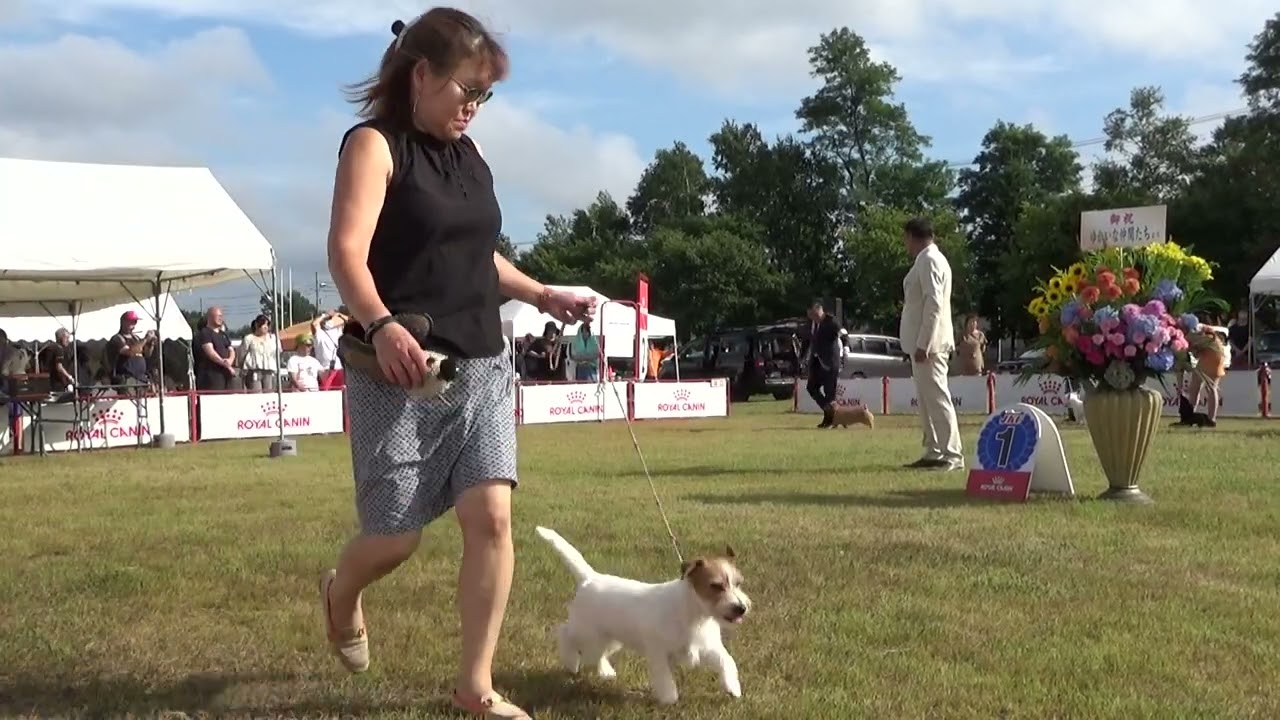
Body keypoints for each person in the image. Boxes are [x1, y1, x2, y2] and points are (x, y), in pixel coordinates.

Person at [320, 10, 596, 718]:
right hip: (400, 367)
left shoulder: (470, 158)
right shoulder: (373, 146)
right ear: (421, 76)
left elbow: (477, 256)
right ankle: (341, 591)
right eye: (465, 90)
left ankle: (475, 687)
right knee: (394, 537)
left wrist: (542, 294)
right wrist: (378, 325)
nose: (474, 107)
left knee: (492, 517)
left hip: (481, 362)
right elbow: (347, 253)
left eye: (485, 96)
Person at [899, 218, 964, 470]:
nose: (905, 243)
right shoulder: (926, 260)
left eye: (906, 238)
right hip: (922, 344)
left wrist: (924, 343)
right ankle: (935, 450)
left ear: (913, 236)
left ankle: (952, 454)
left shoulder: (929, 260)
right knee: (927, 399)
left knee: (937, 398)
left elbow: (934, 304)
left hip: (930, 345)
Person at [804, 301, 841, 428]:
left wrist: (846, 347)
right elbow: (809, 341)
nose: (812, 318)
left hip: (830, 363)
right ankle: (829, 410)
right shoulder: (812, 324)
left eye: (814, 315)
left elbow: (841, 332)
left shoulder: (831, 321)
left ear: (819, 310)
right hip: (817, 363)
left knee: (830, 392)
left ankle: (831, 420)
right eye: (810, 316)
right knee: (811, 387)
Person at [195, 306, 236, 391]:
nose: (221, 318)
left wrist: (230, 360)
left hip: (226, 374)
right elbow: (210, 352)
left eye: (222, 316)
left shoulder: (223, 334)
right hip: (211, 375)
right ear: (210, 317)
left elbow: (231, 350)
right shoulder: (204, 333)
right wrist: (225, 364)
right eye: (218, 316)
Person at [240, 314, 279, 392]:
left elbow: (278, 352)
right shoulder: (249, 338)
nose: (265, 327)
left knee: (269, 394)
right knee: (256, 394)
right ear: (257, 325)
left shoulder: (273, 338)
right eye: (263, 324)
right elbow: (242, 354)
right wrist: (242, 370)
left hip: (269, 370)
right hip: (254, 371)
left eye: (267, 325)